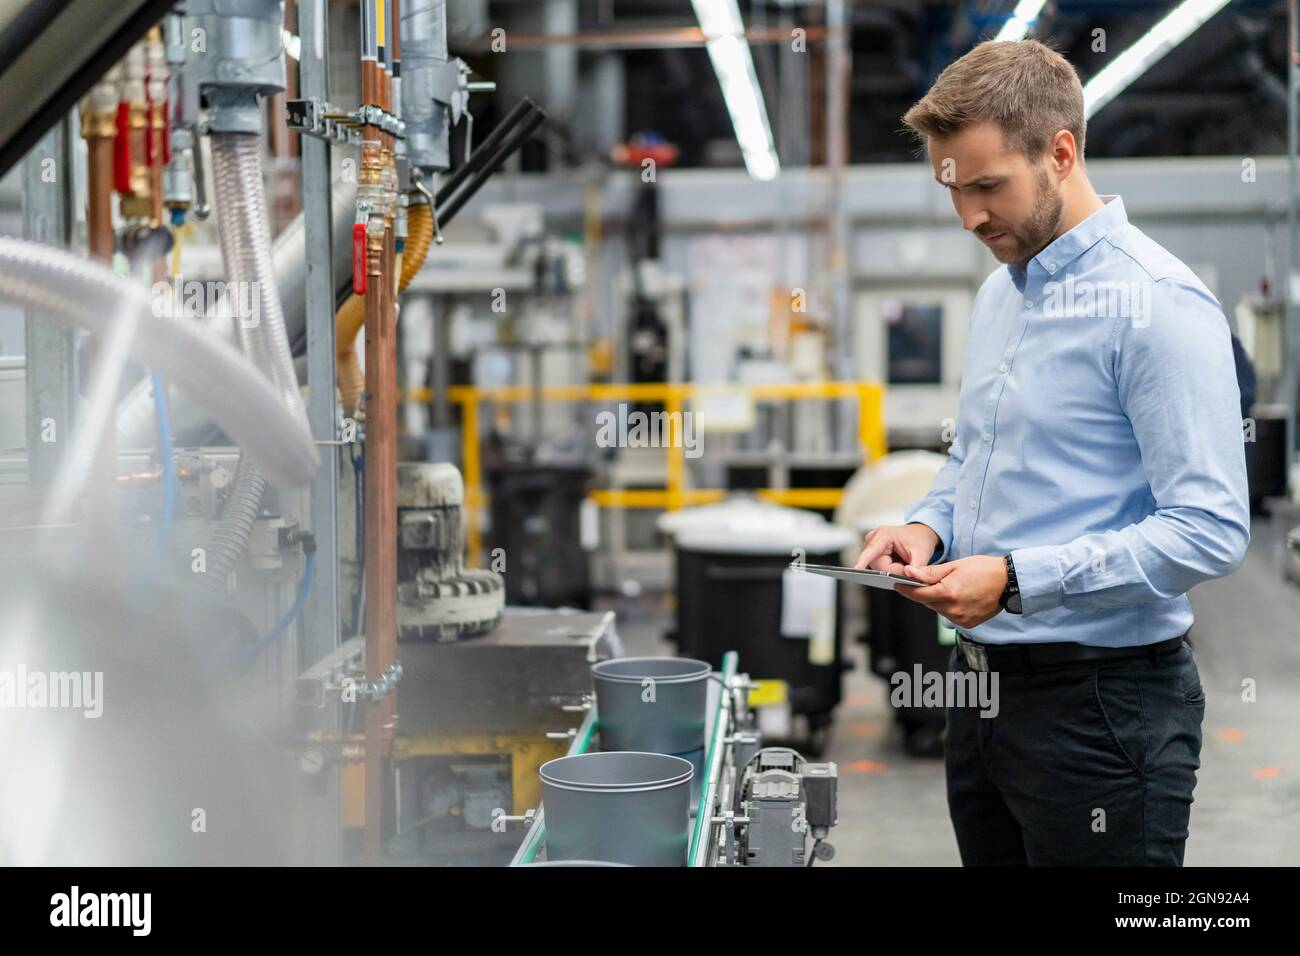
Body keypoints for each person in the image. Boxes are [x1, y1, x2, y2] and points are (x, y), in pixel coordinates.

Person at [855, 40, 1249, 866]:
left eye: (988, 185)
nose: (968, 216)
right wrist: (925, 529)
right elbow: (975, 459)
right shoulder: (1003, 291)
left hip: (1102, 709)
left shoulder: (1156, 305)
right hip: (983, 695)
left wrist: (1019, 579)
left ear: (1061, 152)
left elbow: (1211, 527)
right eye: (952, 188)